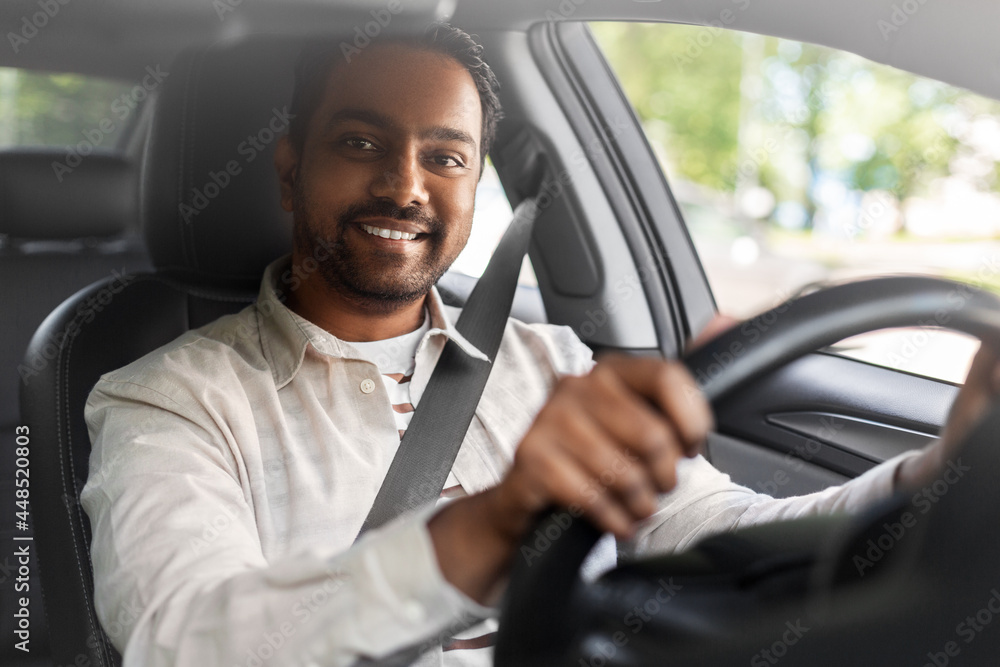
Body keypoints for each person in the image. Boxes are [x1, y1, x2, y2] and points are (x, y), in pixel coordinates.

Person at [81, 22, 1000, 667]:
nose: (405, 185)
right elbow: (187, 642)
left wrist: (940, 472)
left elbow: (709, 531)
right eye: (361, 141)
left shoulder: (547, 362)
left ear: (475, 186)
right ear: (290, 171)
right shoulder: (167, 395)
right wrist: (494, 522)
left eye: (446, 157)